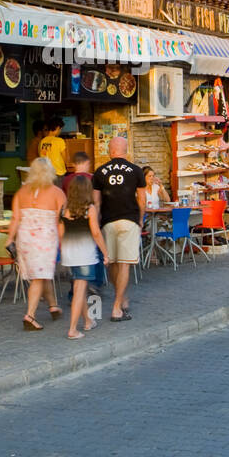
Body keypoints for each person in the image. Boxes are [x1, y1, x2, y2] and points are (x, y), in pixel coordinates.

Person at [8, 158, 67, 331]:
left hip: (25, 238)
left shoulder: (21, 192)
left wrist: (10, 238)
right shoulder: (57, 193)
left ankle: (53, 306)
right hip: (45, 239)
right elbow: (61, 222)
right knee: (39, 276)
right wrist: (63, 244)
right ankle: (30, 315)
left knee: (41, 274)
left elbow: (15, 218)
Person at [92, 136, 146, 322]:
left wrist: (96, 223)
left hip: (108, 221)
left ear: (110, 150)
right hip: (129, 220)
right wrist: (140, 219)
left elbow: (96, 203)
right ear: (126, 149)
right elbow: (142, 199)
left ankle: (121, 298)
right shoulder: (136, 170)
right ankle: (117, 307)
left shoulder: (99, 172)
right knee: (124, 263)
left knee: (112, 262)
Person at [58, 177, 109, 339]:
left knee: (80, 288)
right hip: (85, 254)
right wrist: (105, 253)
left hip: (69, 254)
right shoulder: (90, 209)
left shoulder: (64, 209)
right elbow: (95, 233)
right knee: (80, 291)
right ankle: (72, 329)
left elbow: (60, 233)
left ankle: (88, 321)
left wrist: (63, 250)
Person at [38, 117, 68, 183]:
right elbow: (64, 157)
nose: (60, 131)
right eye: (60, 129)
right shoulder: (60, 141)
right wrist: (67, 165)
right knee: (57, 192)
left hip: (46, 173)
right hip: (58, 172)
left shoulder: (42, 141)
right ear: (57, 128)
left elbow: (41, 155)